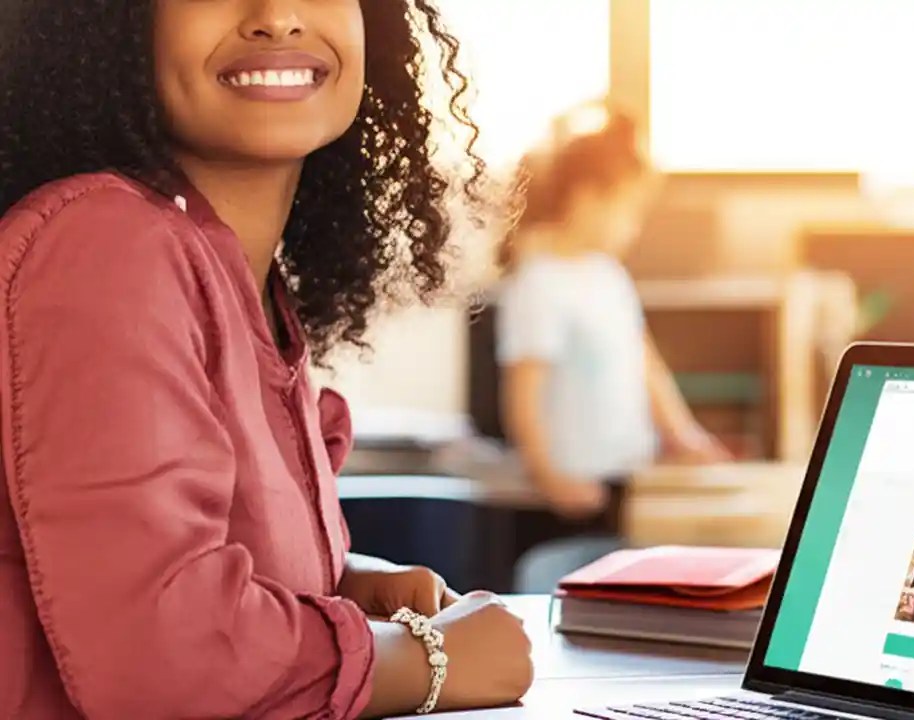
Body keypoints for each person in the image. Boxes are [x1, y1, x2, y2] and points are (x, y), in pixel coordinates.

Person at [0, 3, 532, 718]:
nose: (277, 16)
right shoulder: (106, 248)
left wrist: (337, 589)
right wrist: (429, 659)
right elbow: (158, 659)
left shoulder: (232, 275)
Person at [496, 103, 729, 526]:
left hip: (627, 473)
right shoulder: (539, 283)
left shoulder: (610, 276)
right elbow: (523, 393)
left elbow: (647, 366)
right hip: (574, 490)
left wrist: (685, 437)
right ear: (587, 199)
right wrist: (549, 476)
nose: (634, 227)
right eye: (630, 210)